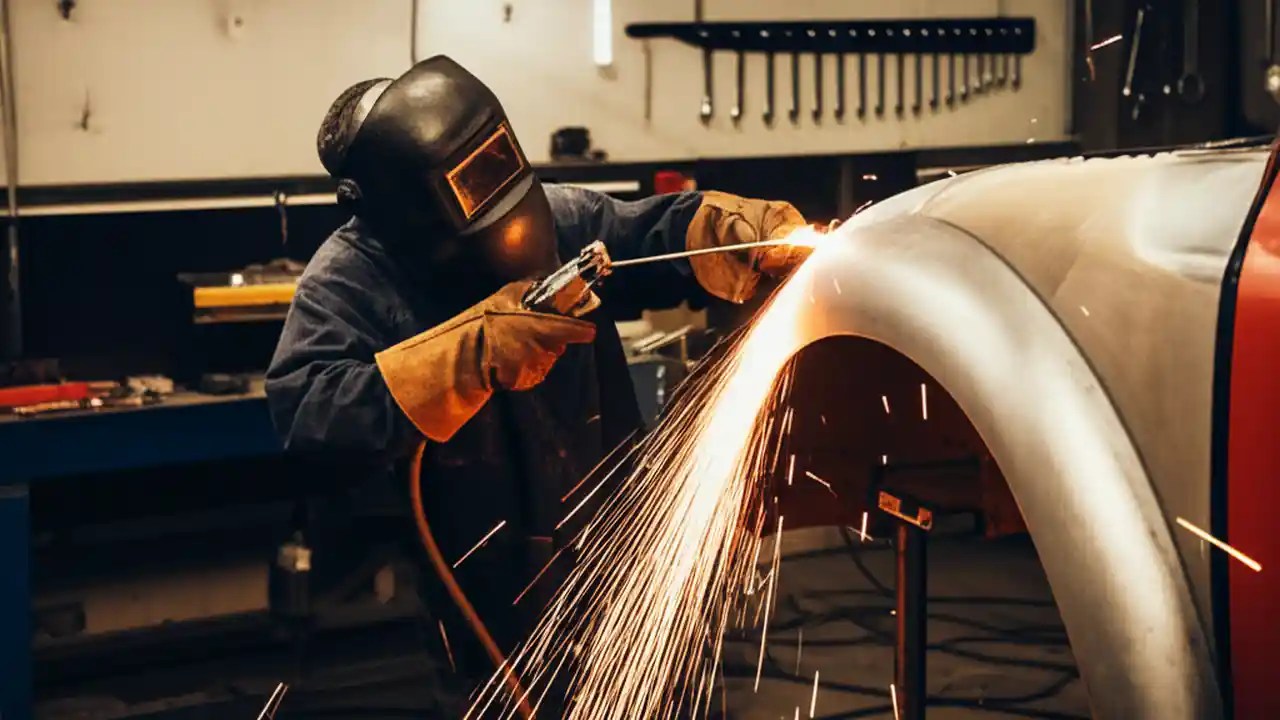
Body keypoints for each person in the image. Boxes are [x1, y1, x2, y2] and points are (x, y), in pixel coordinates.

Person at [265, 55, 811, 715]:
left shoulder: (555, 215)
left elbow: (648, 235)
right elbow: (309, 411)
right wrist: (467, 355)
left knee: (662, 689)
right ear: (388, 199)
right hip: (479, 575)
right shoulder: (349, 279)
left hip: (614, 528)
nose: (499, 198)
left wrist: (721, 231)